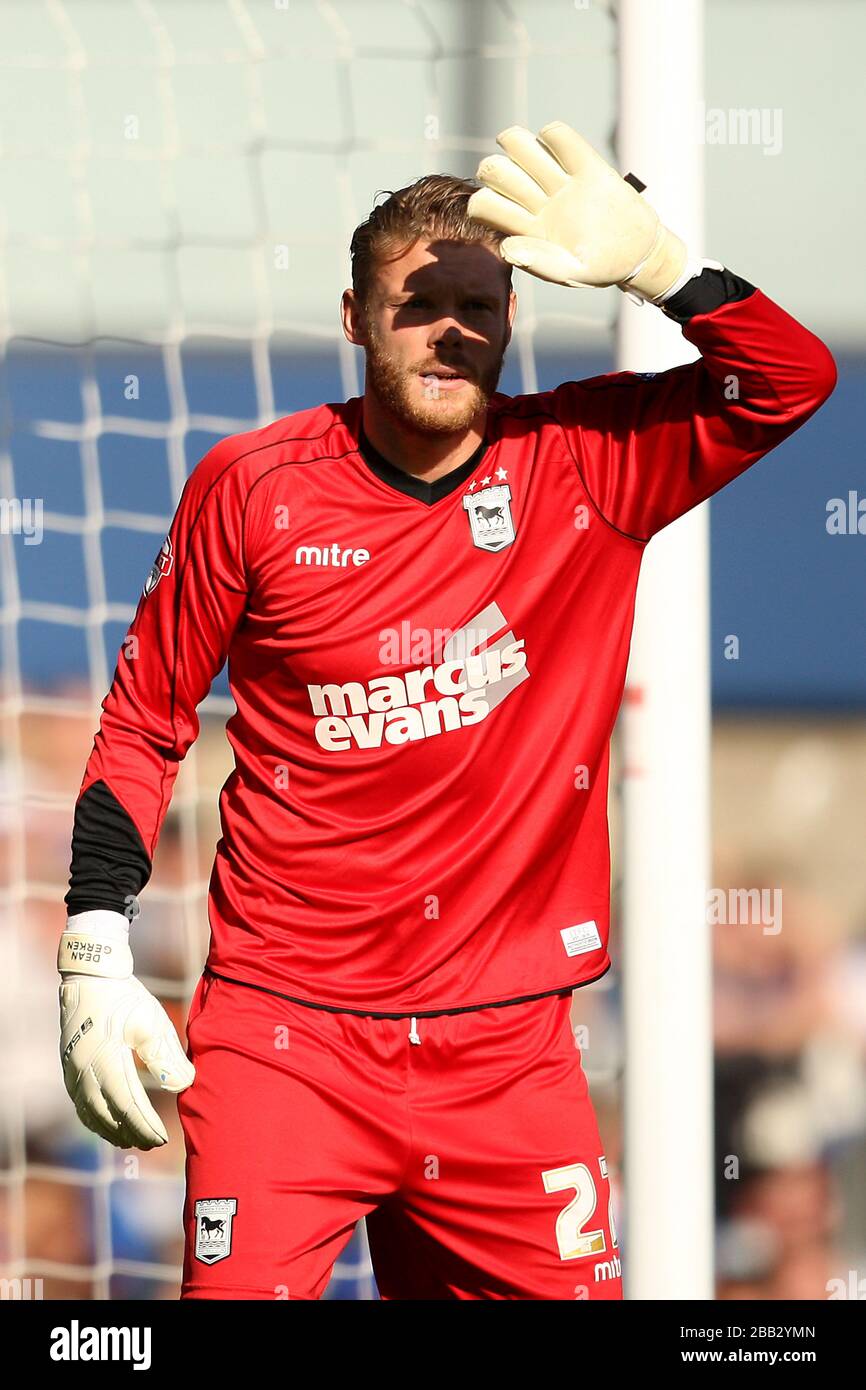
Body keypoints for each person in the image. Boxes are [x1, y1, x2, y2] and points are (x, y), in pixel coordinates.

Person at [57, 122, 836, 1300]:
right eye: (418, 304)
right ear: (352, 318)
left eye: (480, 303)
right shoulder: (252, 486)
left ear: (511, 320)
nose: (451, 330)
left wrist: (663, 268)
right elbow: (143, 719)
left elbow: (790, 380)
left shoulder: (587, 460)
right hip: (288, 1038)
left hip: (508, 1052)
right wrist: (94, 946)